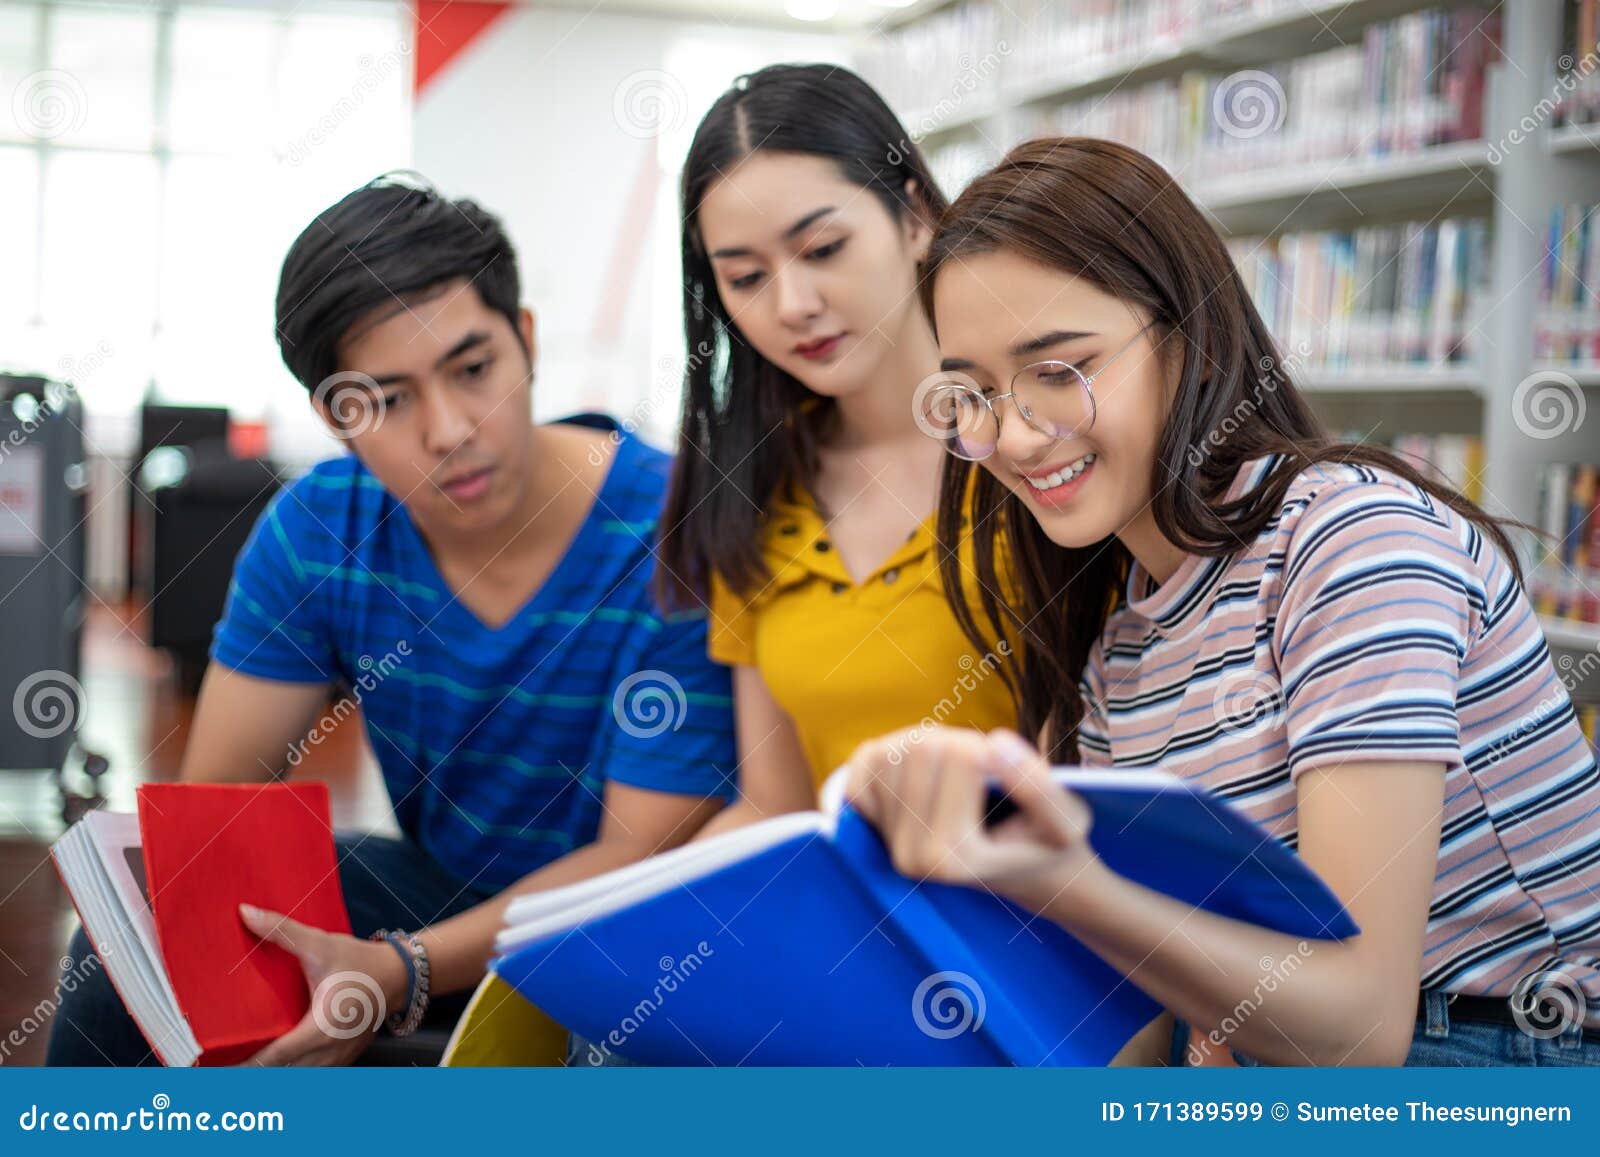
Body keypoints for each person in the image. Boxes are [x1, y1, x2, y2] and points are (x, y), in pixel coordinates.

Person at [844, 137, 1600, 1067]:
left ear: (1189, 341)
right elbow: (1144, 1015)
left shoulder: (1352, 542)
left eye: (1060, 370)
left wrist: (1062, 882)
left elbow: (1362, 1029)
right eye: (976, 393)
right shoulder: (1123, 637)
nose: (1018, 437)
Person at [47, 174, 735, 1067]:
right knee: (126, 949)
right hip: (446, 898)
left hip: (635, 933)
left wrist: (400, 970)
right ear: (337, 417)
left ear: (526, 342)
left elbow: (638, 858)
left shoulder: (680, 527)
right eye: (388, 398)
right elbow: (217, 820)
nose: (449, 430)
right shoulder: (319, 530)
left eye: (474, 370)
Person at [656, 64, 1016, 838]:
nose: (792, 305)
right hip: (842, 899)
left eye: (822, 248)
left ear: (915, 218)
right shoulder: (753, 485)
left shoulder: (1034, 450)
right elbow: (775, 802)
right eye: (746, 277)